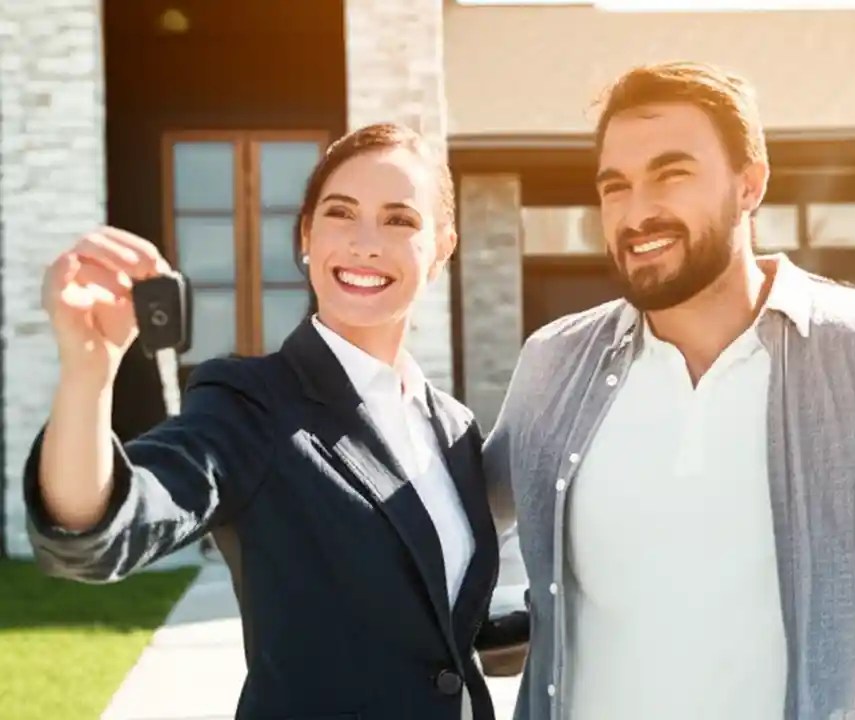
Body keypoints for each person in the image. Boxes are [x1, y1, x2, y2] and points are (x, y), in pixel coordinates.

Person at [485, 62, 855, 720]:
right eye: (616, 186)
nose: (637, 211)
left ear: (749, 185)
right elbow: (455, 535)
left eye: (672, 174)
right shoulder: (553, 363)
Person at [25, 123, 503, 720]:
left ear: (442, 249)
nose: (364, 243)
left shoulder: (453, 428)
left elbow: (433, 622)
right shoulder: (251, 403)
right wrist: (87, 375)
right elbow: (101, 528)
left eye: (400, 220)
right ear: (306, 235)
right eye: (340, 213)